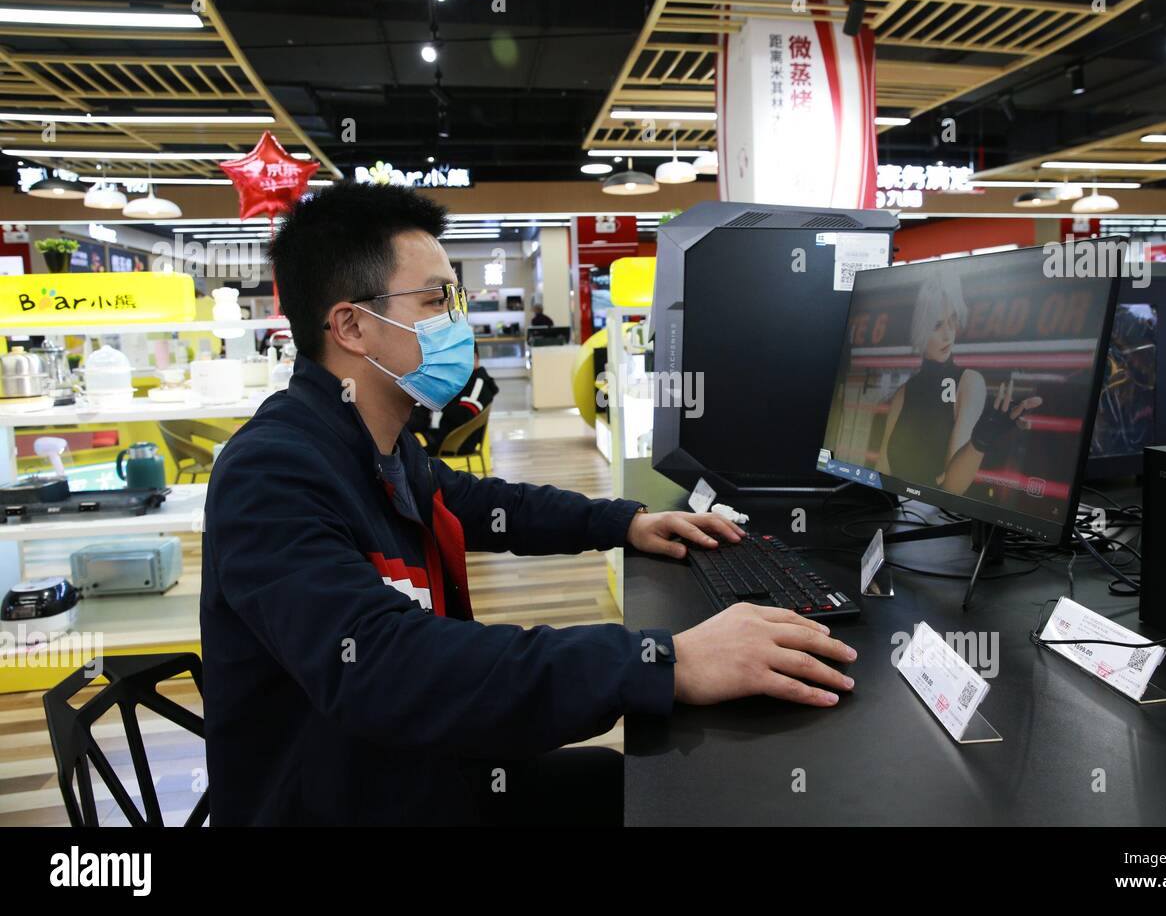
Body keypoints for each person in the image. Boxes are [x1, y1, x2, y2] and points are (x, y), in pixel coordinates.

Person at [200, 181, 856, 826]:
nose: (457, 320)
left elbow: (492, 505)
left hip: (423, 768)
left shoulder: (383, 449)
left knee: (640, 788)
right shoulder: (273, 472)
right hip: (348, 802)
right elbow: (381, 666)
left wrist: (626, 521)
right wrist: (664, 660)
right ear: (351, 326)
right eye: (435, 299)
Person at [877, 274, 1042, 496]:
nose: (948, 333)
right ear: (921, 330)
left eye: (952, 320)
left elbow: (952, 487)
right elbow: (882, 470)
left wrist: (980, 441)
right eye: (937, 325)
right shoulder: (903, 392)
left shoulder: (969, 382)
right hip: (898, 510)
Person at [407, 341, 498, 454]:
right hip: (434, 435)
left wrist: (438, 399)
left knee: (404, 450)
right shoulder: (457, 381)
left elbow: (465, 415)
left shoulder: (479, 383)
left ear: (474, 358)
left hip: (454, 443)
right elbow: (424, 410)